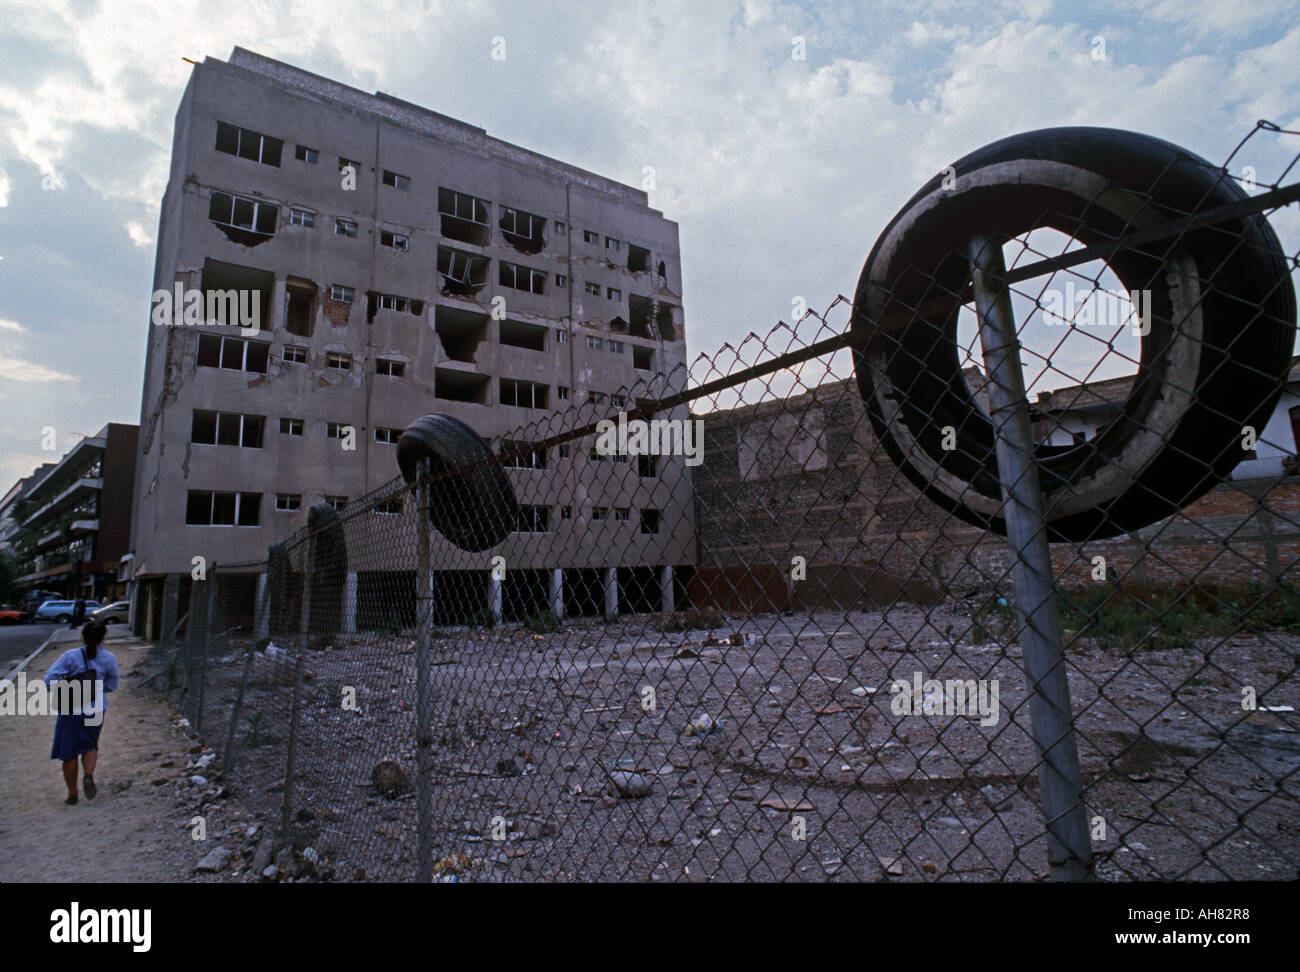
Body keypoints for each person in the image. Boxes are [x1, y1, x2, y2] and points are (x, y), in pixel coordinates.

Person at [44, 619, 118, 805]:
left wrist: (63, 689)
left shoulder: (70, 656)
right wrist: (99, 690)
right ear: (103, 637)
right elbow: (112, 683)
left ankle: (72, 793)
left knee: (69, 752)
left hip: (72, 707)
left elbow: (49, 679)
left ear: (83, 636)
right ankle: (88, 774)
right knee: (90, 744)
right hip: (96, 707)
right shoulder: (109, 658)